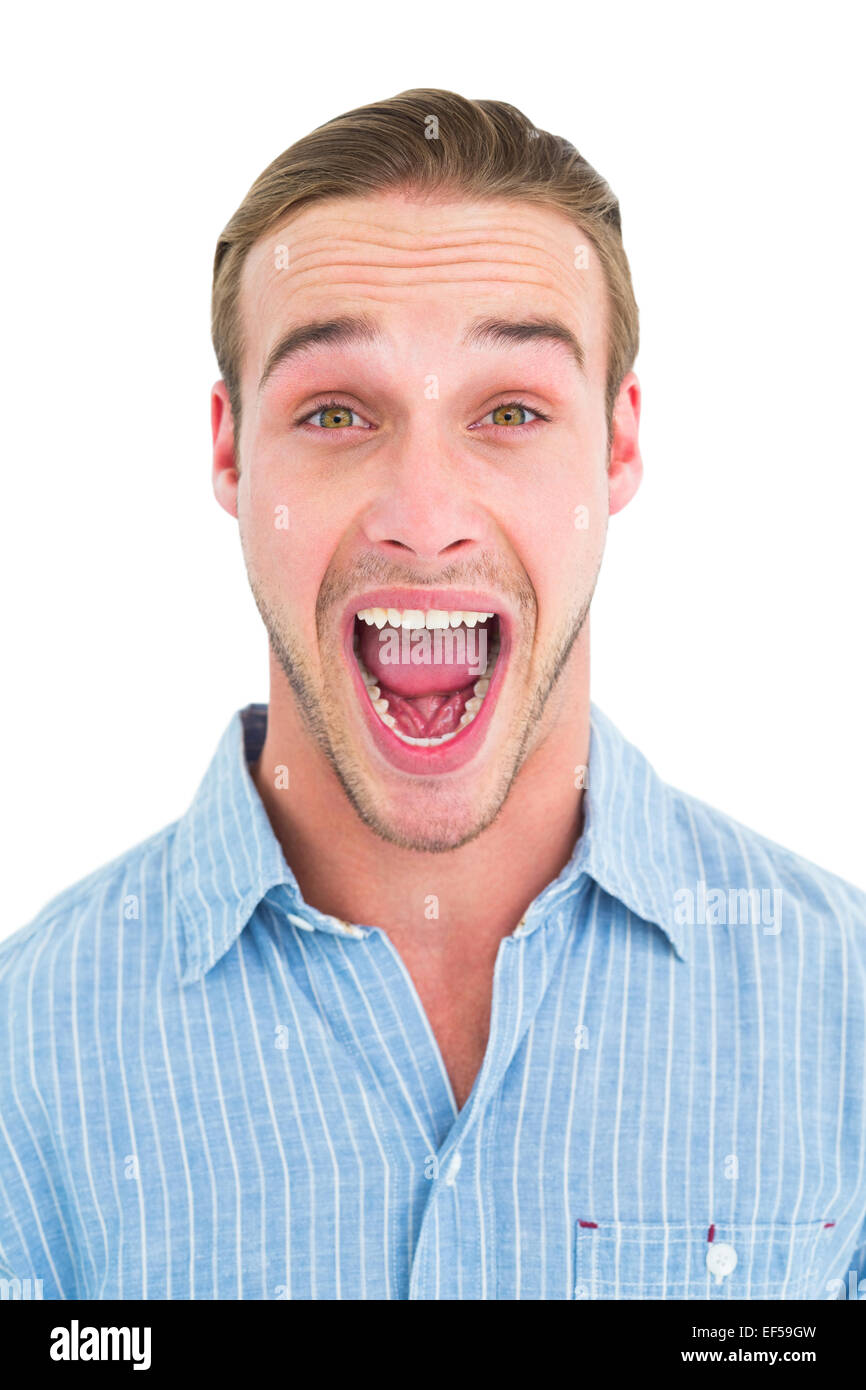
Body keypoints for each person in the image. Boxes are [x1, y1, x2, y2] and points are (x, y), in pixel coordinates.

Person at [1, 89, 863, 1302]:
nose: (423, 517)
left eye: (509, 411)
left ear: (616, 448)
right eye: (336, 412)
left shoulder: (845, 1013)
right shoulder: (22, 1060)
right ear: (231, 453)